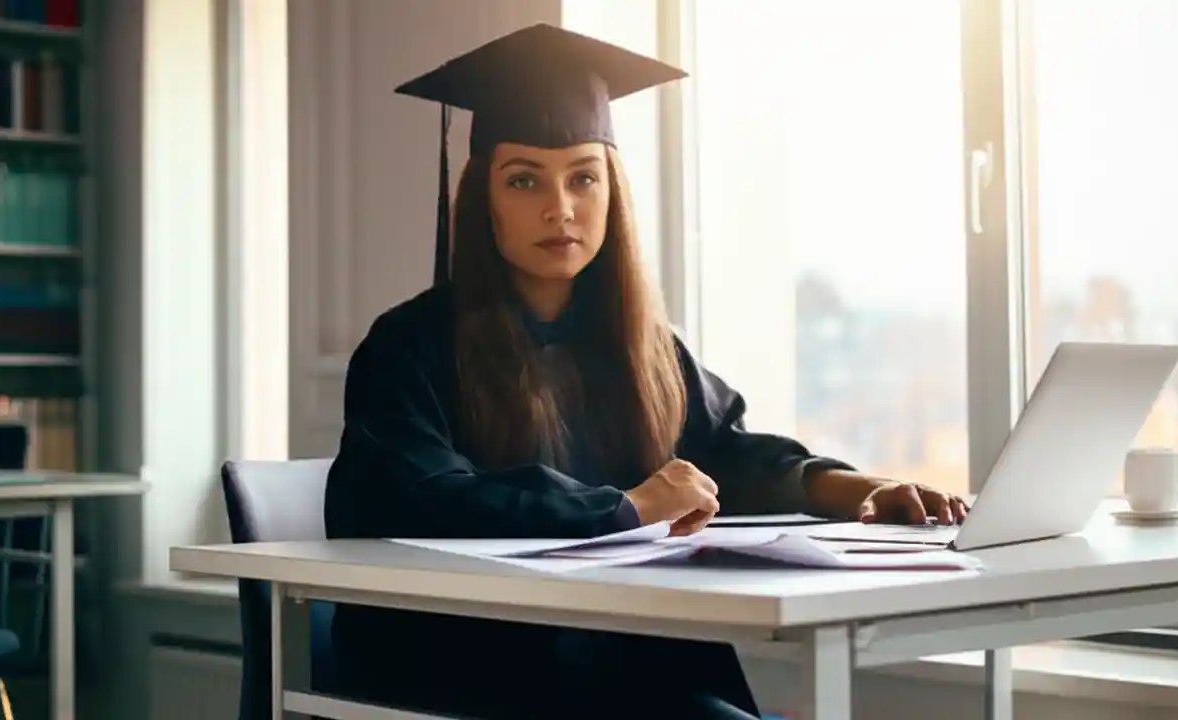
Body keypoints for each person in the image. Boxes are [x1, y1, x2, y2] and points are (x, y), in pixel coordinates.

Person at [323, 23, 969, 719]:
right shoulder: (409, 348)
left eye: (583, 178)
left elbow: (725, 455)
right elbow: (418, 498)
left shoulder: (645, 348)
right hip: (465, 670)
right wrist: (625, 509)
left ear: (612, 194)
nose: (559, 208)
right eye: (523, 180)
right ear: (483, 198)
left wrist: (858, 491)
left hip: (629, 663)